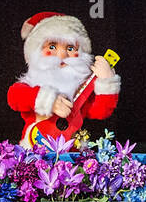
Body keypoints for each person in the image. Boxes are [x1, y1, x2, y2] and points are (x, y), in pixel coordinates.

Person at [7, 11, 121, 148]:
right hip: (33, 152)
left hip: (71, 156)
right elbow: (14, 97)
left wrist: (106, 82)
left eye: (71, 48)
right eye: (52, 47)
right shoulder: (31, 83)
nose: (62, 55)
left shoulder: (81, 90)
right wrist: (48, 100)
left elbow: (99, 112)